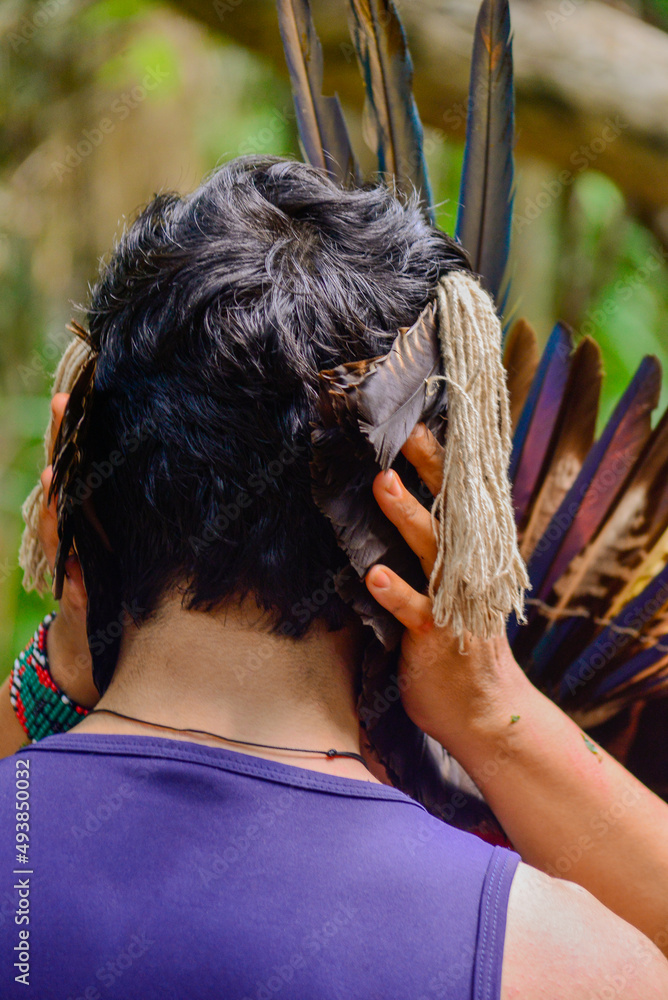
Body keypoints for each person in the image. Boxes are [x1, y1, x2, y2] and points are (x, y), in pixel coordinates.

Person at [1, 157, 667, 999]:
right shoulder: (565, 965)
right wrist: (494, 715)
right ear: (438, 540)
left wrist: (59, 669)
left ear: (71, 495)